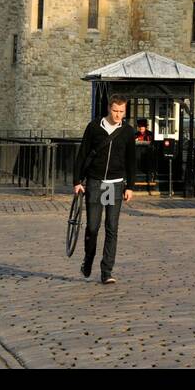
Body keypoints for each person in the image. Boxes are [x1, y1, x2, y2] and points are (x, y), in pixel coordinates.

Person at [73, 94, 137, 284]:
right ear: (109, 108)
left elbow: (131, 160)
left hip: (115, 184)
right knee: (93, 227)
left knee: (112, 227)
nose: (118, 115)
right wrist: (77, 181)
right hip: (95, 182)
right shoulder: (94, 127)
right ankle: (88, 259)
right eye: (115, 111)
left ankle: (106, 271)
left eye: (122, 112)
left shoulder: (127, 131)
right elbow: (83, 153)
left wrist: (130, 186)